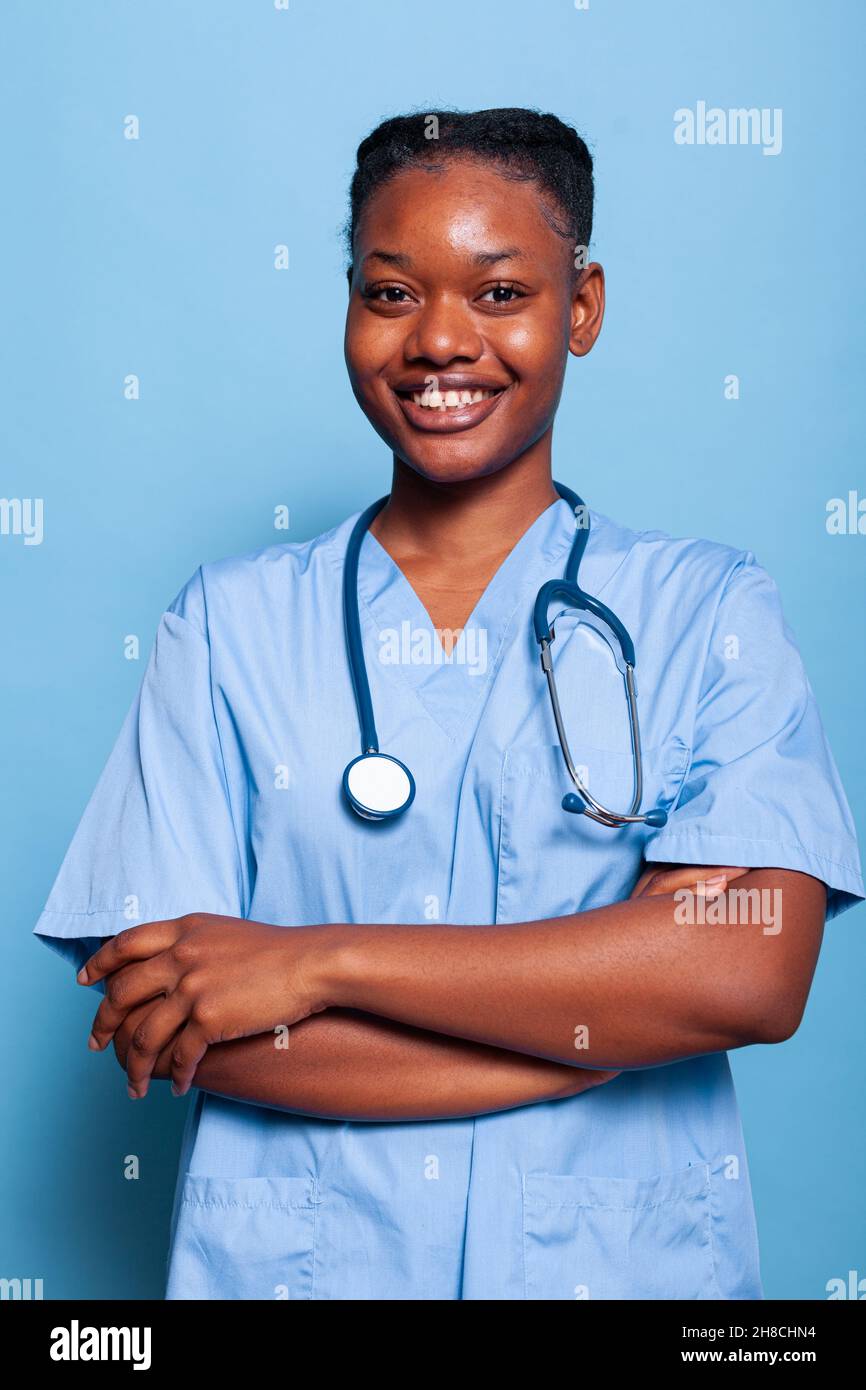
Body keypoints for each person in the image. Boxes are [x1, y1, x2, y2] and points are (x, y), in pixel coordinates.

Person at [35, 108, 863, 1301]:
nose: (436, 342)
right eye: (387, 295)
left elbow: (746, 978)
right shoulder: (226, 625)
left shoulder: (703, 608)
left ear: (578, 307)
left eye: (496, 293)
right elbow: (167, 1017)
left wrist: (314, 961)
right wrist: (598, 1031)